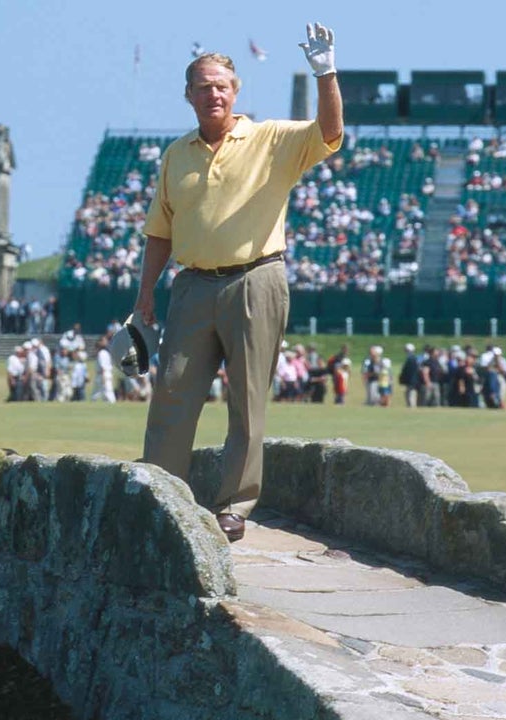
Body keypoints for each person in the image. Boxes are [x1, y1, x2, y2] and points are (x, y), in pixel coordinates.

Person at [132, 22, 343, 543]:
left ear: (236, 91)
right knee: (172, 392)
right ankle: (163, 494)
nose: (213, 93)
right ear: (188, 95)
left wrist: (326, 74)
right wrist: (143, 298)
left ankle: (234, 506)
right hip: (192, 285)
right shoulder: (175, 155)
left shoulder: (271, 139)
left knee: (247, 399)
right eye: (203, 86)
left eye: (222, 84)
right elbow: (160, 232)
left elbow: (330, 132)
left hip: (257, 279)